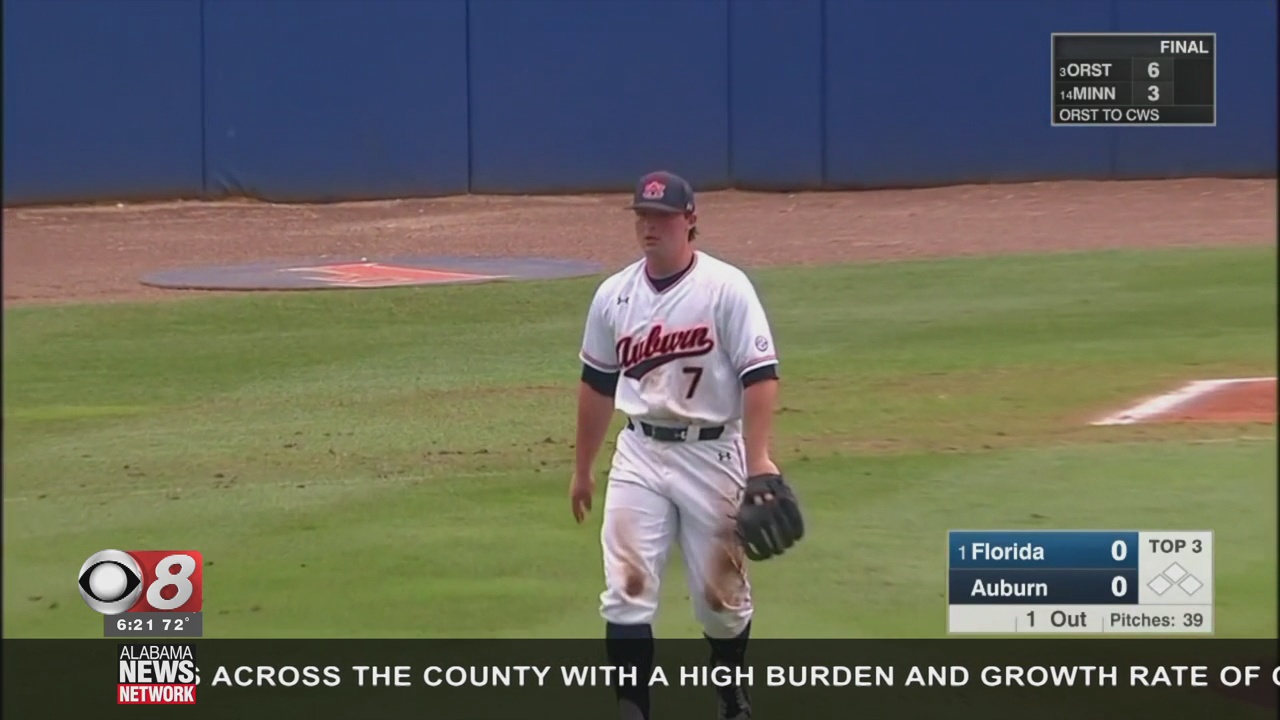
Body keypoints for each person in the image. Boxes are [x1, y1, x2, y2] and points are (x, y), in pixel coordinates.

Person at [571, 170, 783, 720]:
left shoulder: (725, 288)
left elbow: (760, 376)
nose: (650, 226)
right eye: (643, 215)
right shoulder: (613, 295)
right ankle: (632, 709)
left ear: (689, 221)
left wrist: (758, 459)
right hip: (639, 452)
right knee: (626, 590)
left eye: (662, 217)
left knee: (723, 605)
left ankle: (730, 696)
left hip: (711, 454)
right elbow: (596, 385)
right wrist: (583, 468)